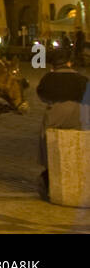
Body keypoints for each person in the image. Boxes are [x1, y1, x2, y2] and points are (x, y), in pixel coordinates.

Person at [35, 53, 90, 198]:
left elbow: (42, 94)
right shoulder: (82, 79)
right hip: (80, 113)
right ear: (69, 63)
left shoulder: (49, 78)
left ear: (53, 66)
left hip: (57, 112)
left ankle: (49, 175)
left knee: (47, 140)